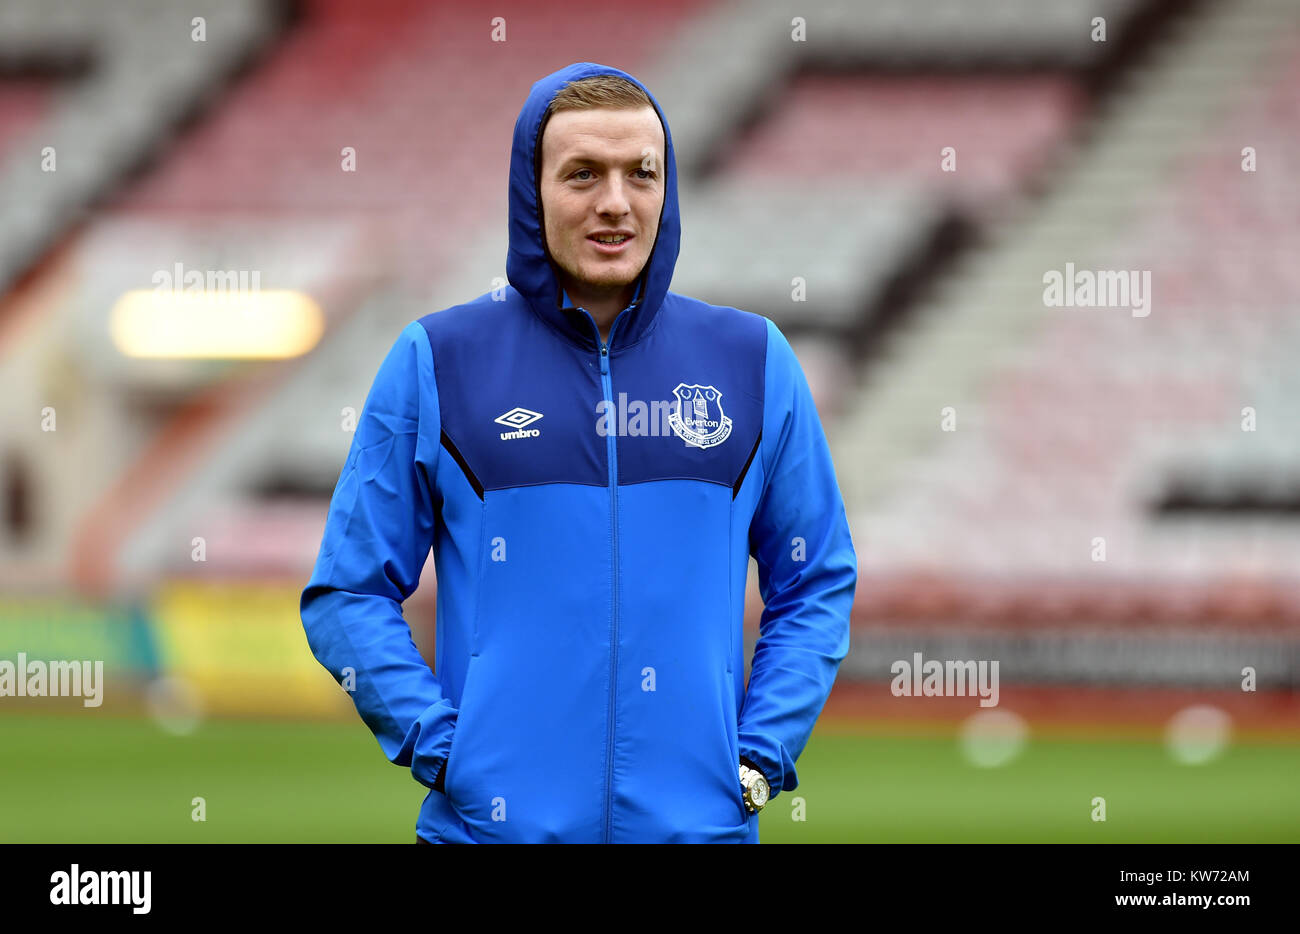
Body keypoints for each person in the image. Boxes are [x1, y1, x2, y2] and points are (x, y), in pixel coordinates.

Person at [300, 62, 856, 844]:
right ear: (532, 192)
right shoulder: (439, 360)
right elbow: (347, 591)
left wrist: (762, 755)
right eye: (583, 174)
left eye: (642, 174)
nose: (616, 204)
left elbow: (818, 578)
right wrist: (449, 751)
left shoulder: (752, 361)